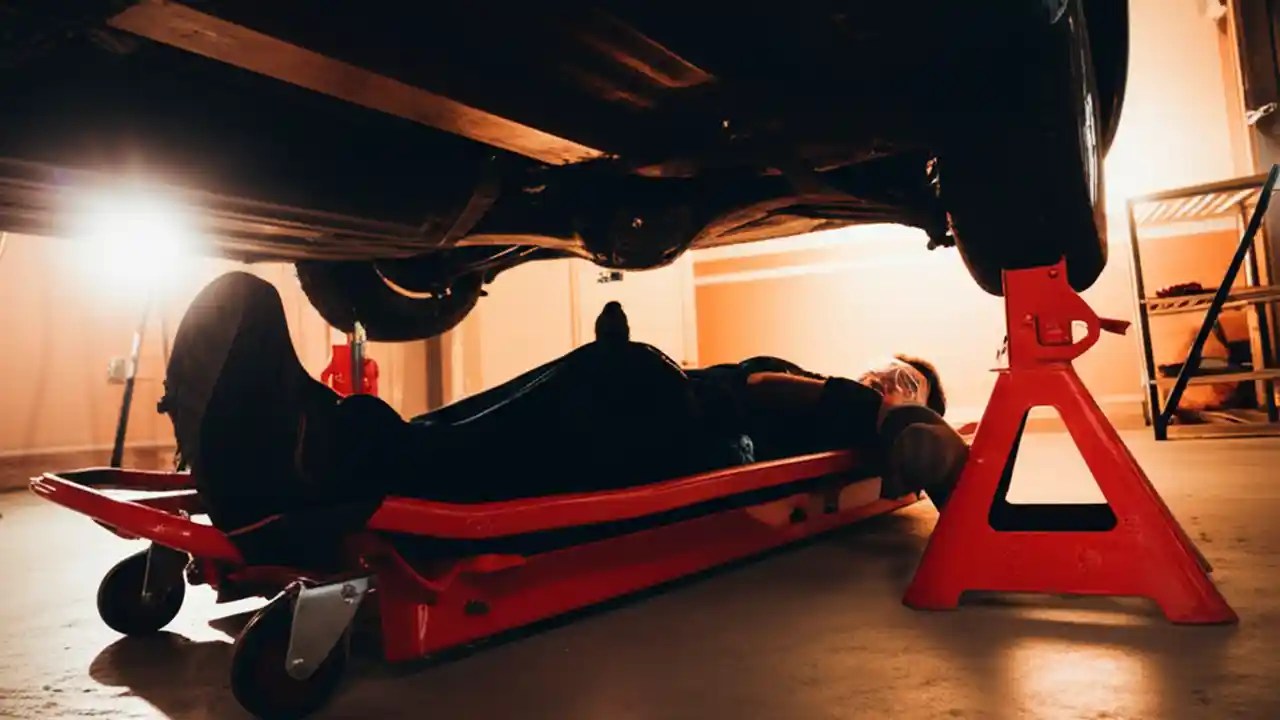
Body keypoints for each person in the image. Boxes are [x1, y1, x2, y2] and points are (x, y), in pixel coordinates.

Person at [159, 273, 968, 564]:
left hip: (686, 431)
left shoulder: (859, 413)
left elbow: (781, 392)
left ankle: (317, 454)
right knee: (478, 436)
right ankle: (327, 437)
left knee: (515, 433)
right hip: (666, 411)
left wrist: (895, 416)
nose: (897, 375)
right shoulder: (852, 399)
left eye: (914, 380)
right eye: (895, 363)